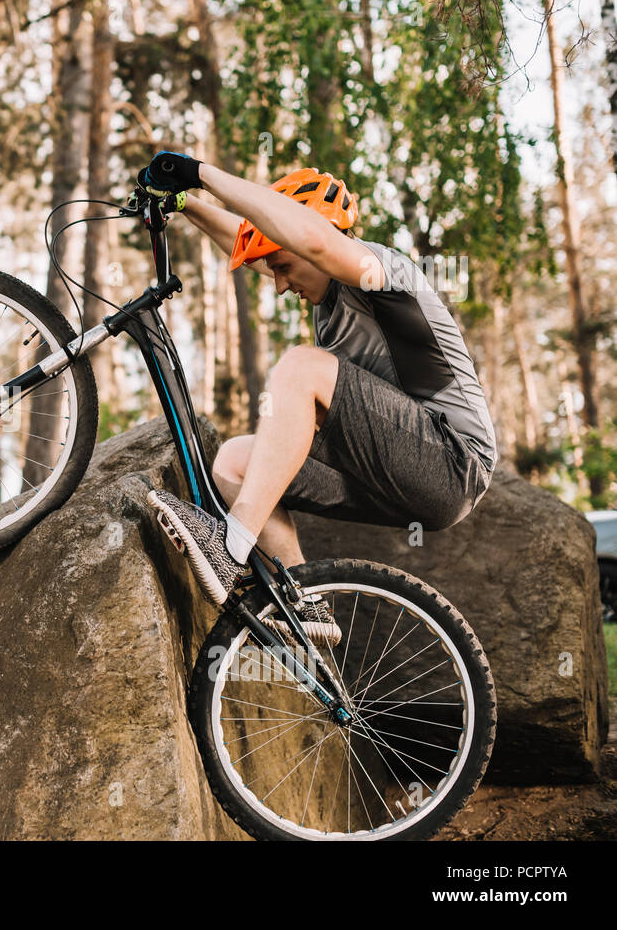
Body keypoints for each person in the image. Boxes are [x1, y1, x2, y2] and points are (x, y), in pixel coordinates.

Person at [139, 152, 497, 647]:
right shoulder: (327, 302)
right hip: (390, 471)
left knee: (301, 366)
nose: (281, 285)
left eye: (284, 267)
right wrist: (184, 202)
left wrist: (201, 173)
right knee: (236, 461)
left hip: (454, 462)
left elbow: (309, 240)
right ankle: (303, 600)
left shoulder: (382, 271)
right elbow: (254, 242)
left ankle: (230, 546)